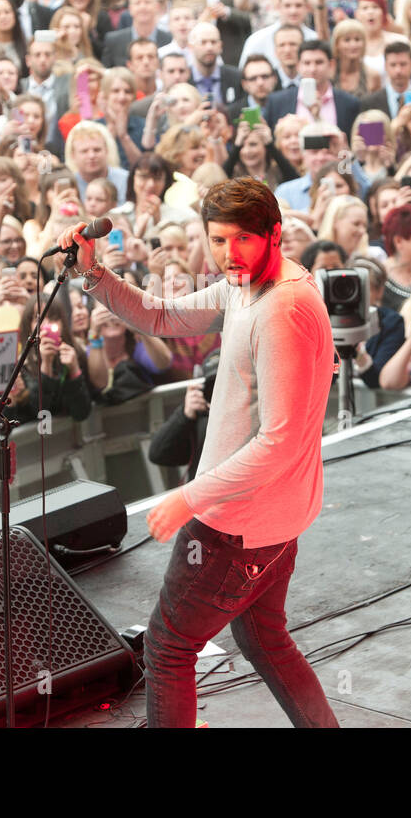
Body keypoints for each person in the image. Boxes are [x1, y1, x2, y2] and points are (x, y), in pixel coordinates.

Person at [57, 177, 339, 728]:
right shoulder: (248, 285)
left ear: (273, 234)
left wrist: (189, 496)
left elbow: (277, 440)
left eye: (241, 240)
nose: (227, 255)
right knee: (263, 637)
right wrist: (93, 273)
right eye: (217, 241)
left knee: (167, 648)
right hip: (273, 517)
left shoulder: (280, 309)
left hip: (238, 522)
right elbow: (163, 317)